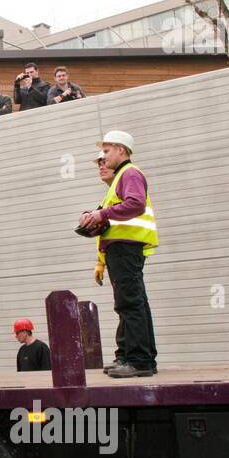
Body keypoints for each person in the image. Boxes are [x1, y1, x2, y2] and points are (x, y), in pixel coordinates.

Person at [78, 130, 159, 378]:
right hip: (124, 248)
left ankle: (137, 360)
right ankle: (136, 357)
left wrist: (101, 214)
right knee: (134, 302)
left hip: (126, 248)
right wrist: (94, 216)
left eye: (106, 151)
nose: (103, 157)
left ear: (121, 150)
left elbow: (135, 204)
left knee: (130, 303)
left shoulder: (129, 173)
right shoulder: (121, 178)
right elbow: (116, 212)